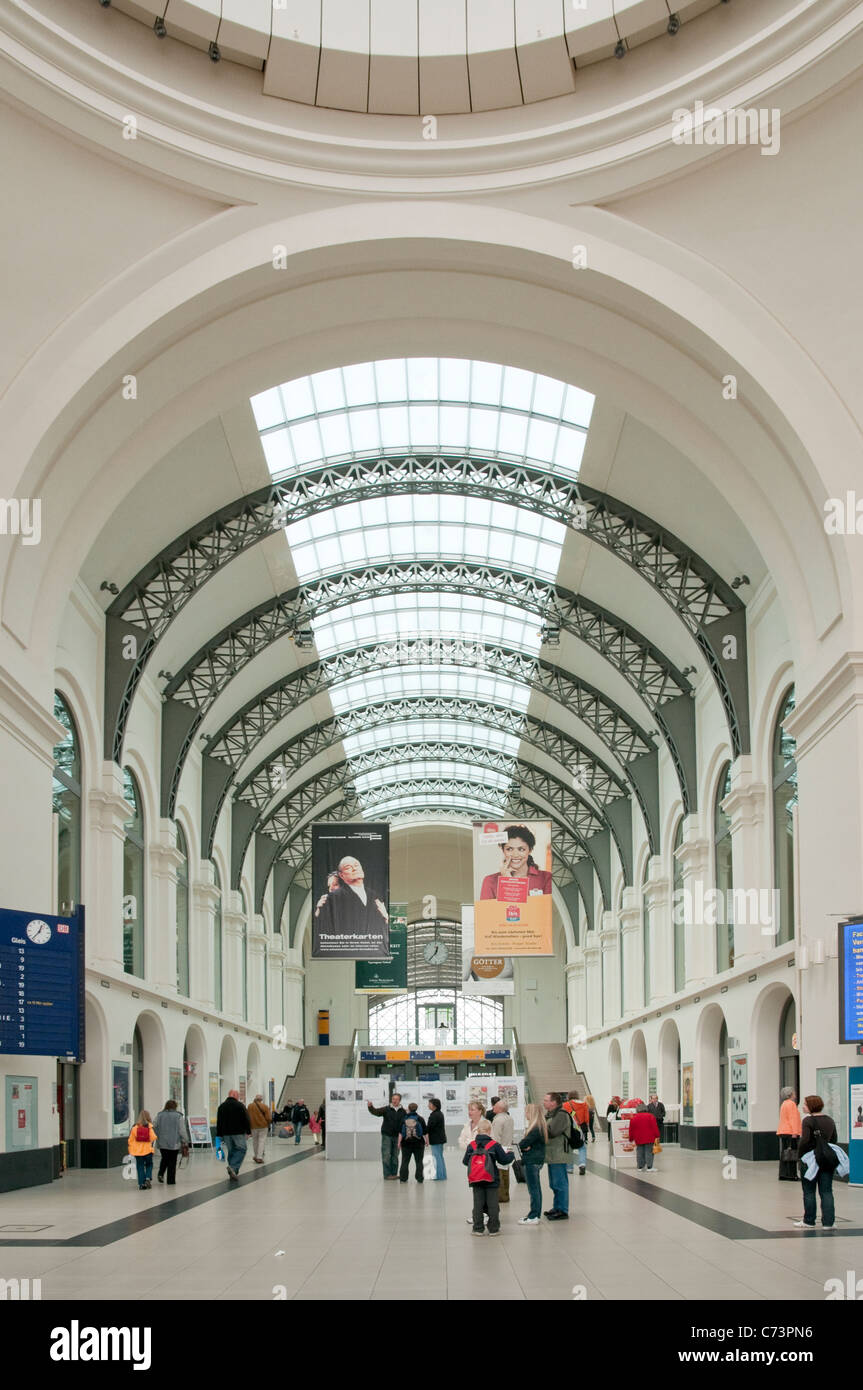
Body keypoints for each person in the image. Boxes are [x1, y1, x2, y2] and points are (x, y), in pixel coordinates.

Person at [313, 856, 388, 938]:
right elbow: (322, 929)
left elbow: (382, 929)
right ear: (341, 875)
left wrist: (385, 918)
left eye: (356, 865)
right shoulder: (332, 898)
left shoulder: (375, 895)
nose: (354, 869)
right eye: (348, 867)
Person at [794, 1095, 839, 1229]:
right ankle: (829, 1222)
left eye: (805, 1104)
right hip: (826, 1159)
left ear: (811, 1106)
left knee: (809, 1191)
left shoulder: (808, 1121)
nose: (803, 1106)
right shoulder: (830, 1120)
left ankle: (809, 1220)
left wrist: (800, 1156)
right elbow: (834, 1139)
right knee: (826, 1191)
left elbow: (805, 1140)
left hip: (810, 1159)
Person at [463, 1119, 514, 1235]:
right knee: (492, 1204)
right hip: (492, 1179)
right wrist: (510, 1154)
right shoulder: (494, 1145)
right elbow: (504, 1160)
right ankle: (493, 1229)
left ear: (478, 1131)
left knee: (478, 1204)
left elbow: (465, 1161)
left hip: (476, 1180)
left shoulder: (472, 1145)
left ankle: (478, 1228)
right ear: (489, 1131)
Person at [480, 825, 552, 899]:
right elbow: (488, 910)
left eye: (521, 849)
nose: (515, 855)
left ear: (530, 850)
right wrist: (506, 881)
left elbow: (544, 910)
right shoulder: (490, 881)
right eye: (509, 849)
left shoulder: (546, 878)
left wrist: (510, 883)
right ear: (503, 850)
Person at [517, 1103, 547, 1224]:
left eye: (526, 1111)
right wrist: (525, 1146)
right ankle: (535, 1214)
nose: (525, 1114)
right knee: (536, 1189)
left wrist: (524, 1146)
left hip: (531, 1161)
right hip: (536, 1160)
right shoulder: (540, 1127)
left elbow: (522, 1144)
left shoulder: (534, 1129)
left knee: (533, 1189)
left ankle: (534, 1215)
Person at [543, 1092, 571, 1220]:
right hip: (552, 1153)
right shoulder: (551, 1115)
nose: (544, 1102)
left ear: (554, 1102)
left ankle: (562, 1210)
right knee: (554, 1183)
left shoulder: (560, 1115)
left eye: (546, 1100)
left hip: (559, 1153)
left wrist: (540, 1127)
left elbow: (552, 1131)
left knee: (560, 1183)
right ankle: (557, 1207)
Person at [367, 1092, 406, 1180]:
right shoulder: (386, 1109)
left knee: (395, 1155)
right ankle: (387, 1174)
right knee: (386, 1155)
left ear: (400, 1100)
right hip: (387, 1135)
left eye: (396, 1099)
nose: (394, 1101)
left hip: (397, 1136)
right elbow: (376, 1112)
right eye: (393, 1099)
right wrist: (370, 1107)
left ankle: (394, 1174)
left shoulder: (403, 1111)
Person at [216, 1089, 251, 1181]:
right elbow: (246, 1119)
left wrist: (219, 1134)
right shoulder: (240, 1106)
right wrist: (248, 1131)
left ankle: (233, 1171)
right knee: (242, 1149)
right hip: (238, 1132)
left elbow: (219, 1122)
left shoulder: (221, 1107)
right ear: (235, 1095)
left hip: (226, 1133)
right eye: (238, 1095)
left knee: (231, 1151)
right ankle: (233, 1168)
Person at [153, 1098, 190, 1185]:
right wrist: (186, 1140)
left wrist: (157, 1136)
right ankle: (171, 1180)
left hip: (162, 1142)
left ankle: (161, 1173)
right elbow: (182, 1130)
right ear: (175, 1107)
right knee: (172, 1161)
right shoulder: (178, 1116)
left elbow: (154, 1126)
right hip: (174, 1143)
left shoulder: (159, 1115)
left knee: (165, 1158)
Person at [777, 1086, 802, 1181]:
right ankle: (792, 1174)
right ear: (790, 1094)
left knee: (785, 1153)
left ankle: (783, 1173)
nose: (795, 1094)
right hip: (790, 1132)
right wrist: (795, 1133)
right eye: (794, 1092)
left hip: (783, 1131)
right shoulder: (791, 1104)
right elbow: (793, 1119)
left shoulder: (784, 1104)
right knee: (792, 1154)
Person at [491, 1099, 515, 1202]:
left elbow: (495, 1138)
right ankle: (505, 1194)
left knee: (499, 1173)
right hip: (508, 1147)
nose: (493, 1108)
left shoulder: (498, 1120)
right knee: (505, 1172)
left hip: (500, 1149)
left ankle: (501, 1197)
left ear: (500, 1109)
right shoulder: (509, 1118)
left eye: (495, 1106)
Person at [128, 1110, 156, 1190]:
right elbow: (153, 1137)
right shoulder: (149, 1126)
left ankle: (141, 1184)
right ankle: (147, 1177)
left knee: (140, 1167)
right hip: (148, 1150)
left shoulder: (134, 1128)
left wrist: (132, 1148)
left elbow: (130, 1140)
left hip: (137, 1152)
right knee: (149, 1165)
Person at [399, 1102, 427, 1183]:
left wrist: (399, 1142)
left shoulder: (404, 1118)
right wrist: (427, 1141)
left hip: (406, 1143)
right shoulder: (420, 1119)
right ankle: (419, 1178)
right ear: (416, 1108)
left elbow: (400, 1132)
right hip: (419, 1143)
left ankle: (403, 1178)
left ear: (409, 1108)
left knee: (405, 1161)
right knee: (419, 1161)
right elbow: (425, 1132)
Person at [563, 1092, 589, 1175]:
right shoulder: (584, 1104)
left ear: (569, 1096)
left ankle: (569, 1168)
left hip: (569, 1128)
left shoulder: (566, 1104)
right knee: (582, 1147)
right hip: (580, 1128)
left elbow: (566, 1116)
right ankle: (582, 1164)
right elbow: (586, 1118)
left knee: (570, 1147)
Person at [629, 1102, 660, 1171]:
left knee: (639, 1152)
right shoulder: (650, 1116)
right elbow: (654, 1127)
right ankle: (649, 1167)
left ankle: (640, 1167)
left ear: (637, 1109)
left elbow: (631, 1129)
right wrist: (657, 1135)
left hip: (638, 1138)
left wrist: (631, 1138)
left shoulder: (634, 1118)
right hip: (649, 1138)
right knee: (649, 1152)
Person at [247, 1093, 272, 1165]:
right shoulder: (264, 1106)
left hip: (253, 1126)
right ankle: (259, 1157)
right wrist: (268, 1123)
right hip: (263, 1126)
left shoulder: (249, 1106)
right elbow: (268, 1118)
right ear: (261, 1099)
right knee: (261, 1141)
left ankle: (255, 1155)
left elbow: (247, 1116)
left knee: (255, 1141)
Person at [426, 1097, 447, 1180]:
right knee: (440, 1157)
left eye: (429, 1104)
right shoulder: (439, 1113)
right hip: (440, 1139)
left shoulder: (434, 1115)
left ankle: (439, 1176)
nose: (428, 1105)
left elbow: (429, 1127)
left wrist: (422, 1130)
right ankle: (442, 1175)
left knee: (436, 1157)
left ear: (434, 1105)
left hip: (436, 1139)